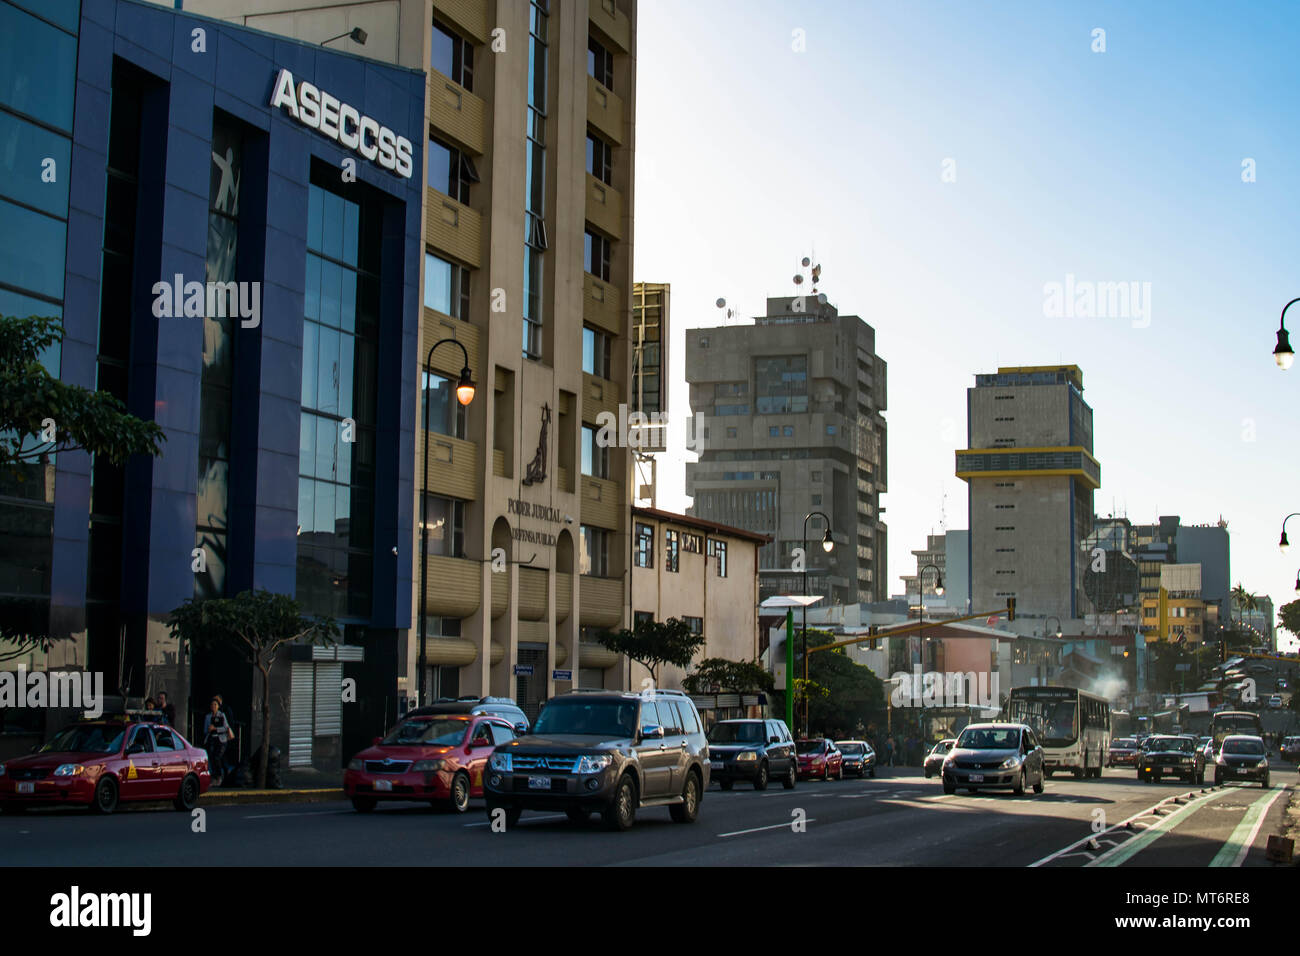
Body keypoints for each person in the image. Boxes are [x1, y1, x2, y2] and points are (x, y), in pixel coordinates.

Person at [203, 697, 236, 786]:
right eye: (212, 705)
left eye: (215, 705)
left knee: (217, 757)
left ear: (218, 706)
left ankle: (219, 776)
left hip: (221, 739)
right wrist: (209, 730)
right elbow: (205, 730)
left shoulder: (221, 715)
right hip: (211, 739)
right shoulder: (208, 716)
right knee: (212, 758)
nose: (213, 706)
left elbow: (226, 727)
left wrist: (216, 729)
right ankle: (215, 776)